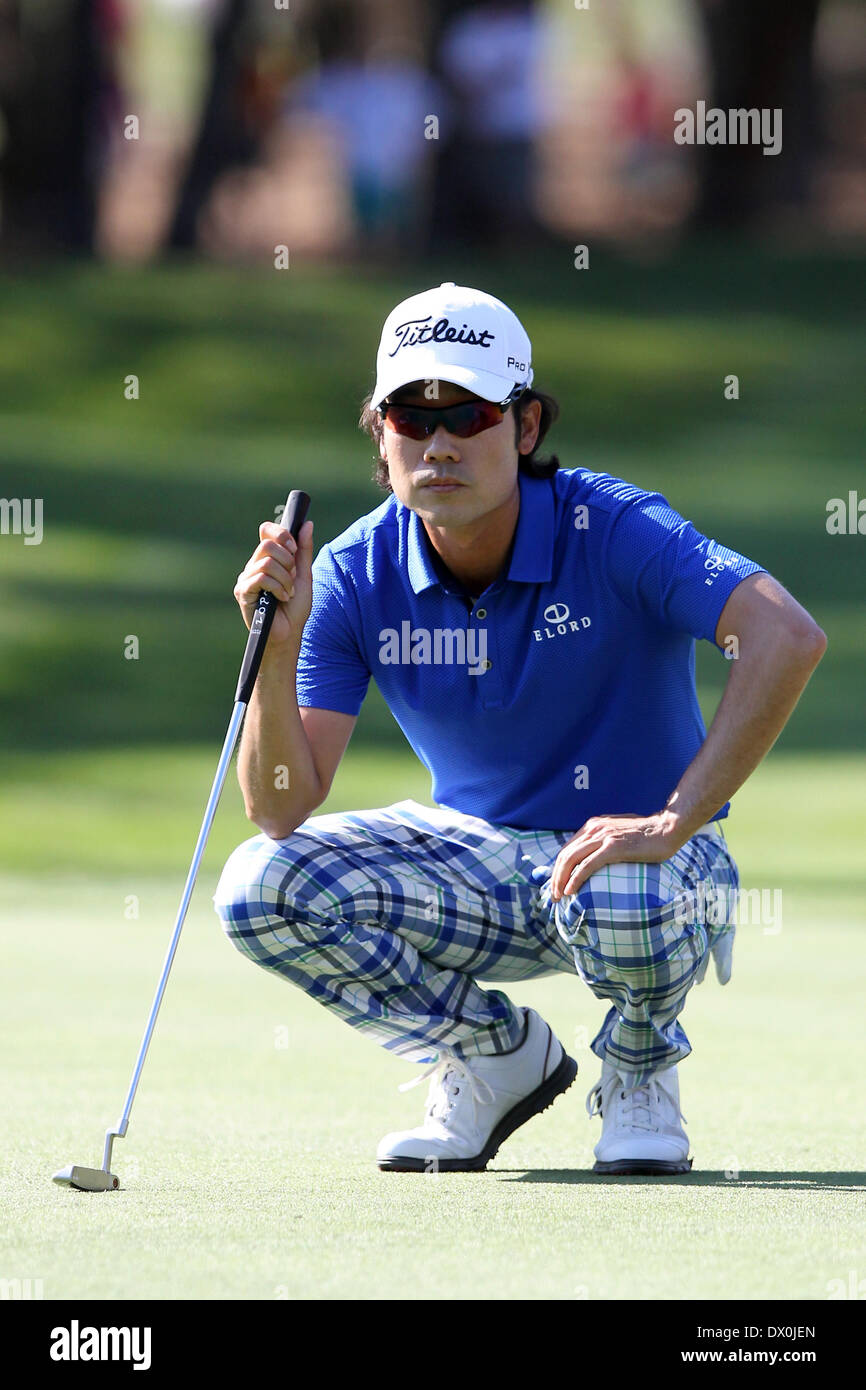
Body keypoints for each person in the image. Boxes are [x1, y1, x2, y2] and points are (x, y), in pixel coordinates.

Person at [214, 282, 826, 1175]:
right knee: (260, 884)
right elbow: (280, 807)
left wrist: (673, 819)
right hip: (479, 865)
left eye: (469, 414)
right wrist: (280, 643)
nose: (440, 443)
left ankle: (641, 1066)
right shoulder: (346, 572)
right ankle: (493, 1055)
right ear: (379, 436)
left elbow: (785, 636)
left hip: (649, 869)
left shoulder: (611, 525)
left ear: (527, 426)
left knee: (621, 887)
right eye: (410, 418)